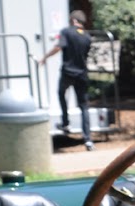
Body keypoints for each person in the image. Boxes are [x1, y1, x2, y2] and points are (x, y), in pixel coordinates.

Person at [40, 10, 95, 151]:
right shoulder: (87, 36)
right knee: (84, 106)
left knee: (61, 93)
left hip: (68, 73)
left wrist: (45, 57)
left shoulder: (66, 32)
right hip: (82, 74)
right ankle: (88, 140)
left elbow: (58, 47)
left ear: (73, 20)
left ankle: (65, 122)